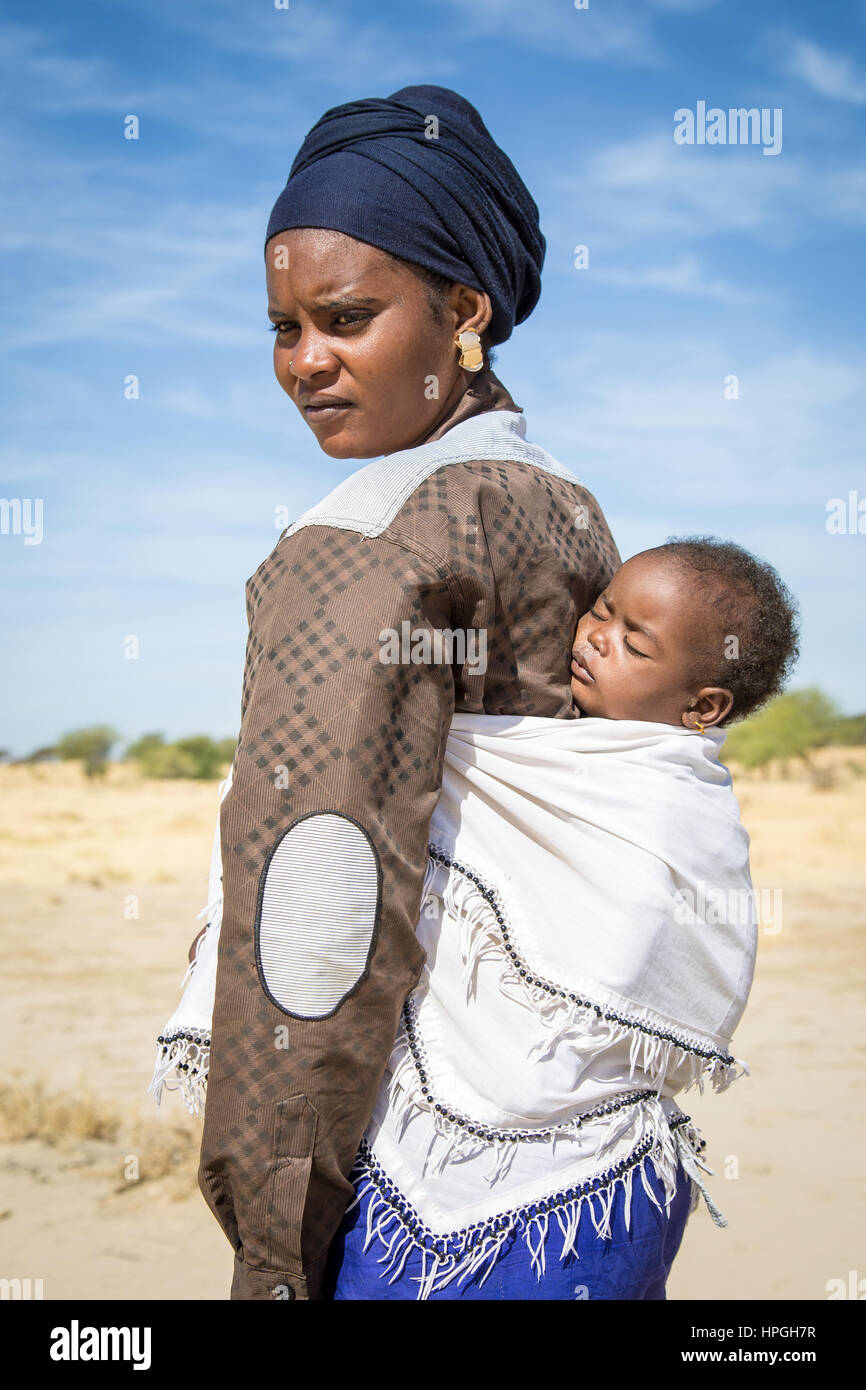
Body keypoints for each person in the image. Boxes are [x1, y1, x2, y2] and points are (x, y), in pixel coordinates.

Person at [154, 83, 625, 1302]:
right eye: (282, 328)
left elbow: (316, 910)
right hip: (606, 1169)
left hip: (435, 1207)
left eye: (347, 317)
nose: (306, 363)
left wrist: (272, 1252)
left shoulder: (366, 537)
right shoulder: (562, 504)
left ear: (464, 312)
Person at [322, 536, 799, 1299]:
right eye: (600, 612)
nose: (594, 637)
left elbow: (636, 956)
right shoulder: (509, 748)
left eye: (633, 642)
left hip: (588, 1186)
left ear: (702, 707)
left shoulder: (678, 806)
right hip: (409, 1158)